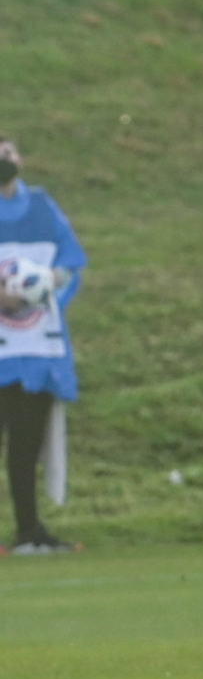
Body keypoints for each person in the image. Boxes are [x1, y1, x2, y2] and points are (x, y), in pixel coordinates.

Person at [0, 135, 85, 554]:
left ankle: (29, 531)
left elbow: (70, 264)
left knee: (25, 446)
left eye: (7, 151)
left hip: (34, 350)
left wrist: (48, 288)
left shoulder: (42, 207)